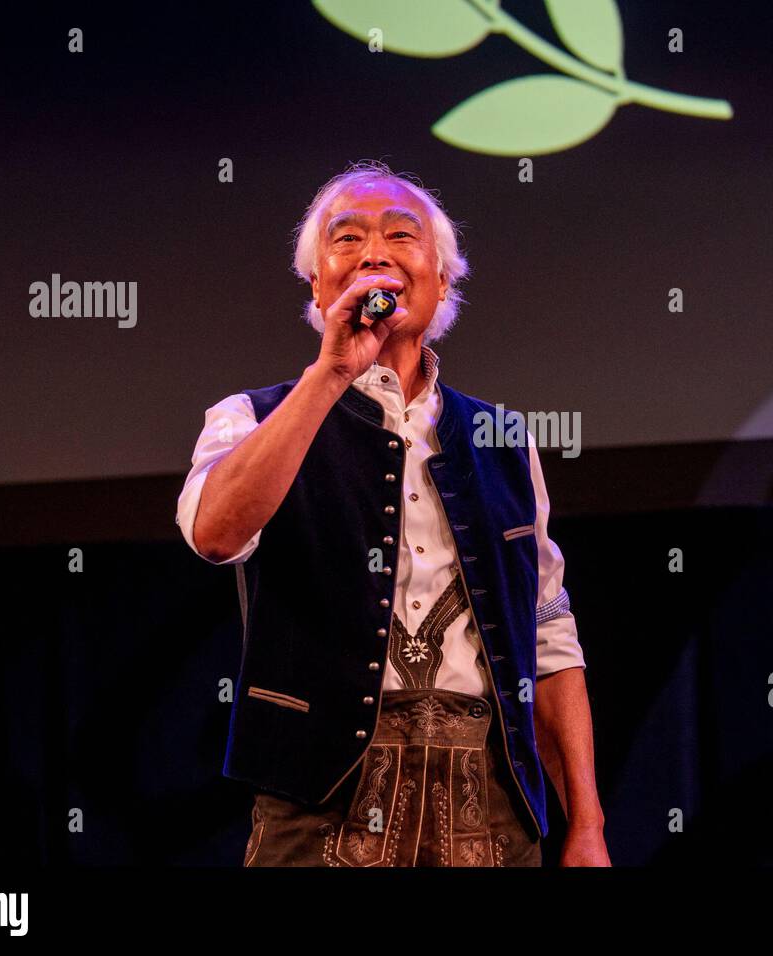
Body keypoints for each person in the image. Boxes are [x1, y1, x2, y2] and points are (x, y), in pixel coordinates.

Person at [176, 160, 610, 866]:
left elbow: (549, 639)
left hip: (490, 812)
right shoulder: (248, 418)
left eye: (400, 236)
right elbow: (215, 535)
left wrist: (585, 825)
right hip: (324, 809)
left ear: (442, 280)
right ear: (318, 285)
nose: (373, 252)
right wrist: (332, 374)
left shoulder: (504, 438)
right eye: (346, 239)